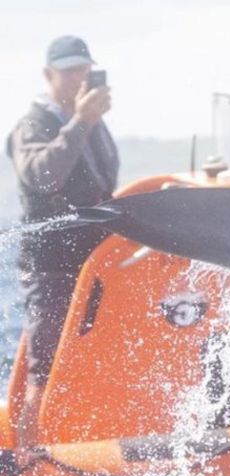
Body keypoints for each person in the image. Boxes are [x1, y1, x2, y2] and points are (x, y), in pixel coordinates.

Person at [6, 36, 118, 446]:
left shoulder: (91, 122)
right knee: (45, 366)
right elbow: (43, 176)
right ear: (48, 75)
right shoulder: (32, 125)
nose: (78, 79)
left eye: (83, 71)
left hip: (91, 264)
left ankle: (79, 444)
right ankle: (27, 457)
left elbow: (102, 184)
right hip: (51, 268)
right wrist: (81, 121)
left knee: (91, 360)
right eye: (69, 71)